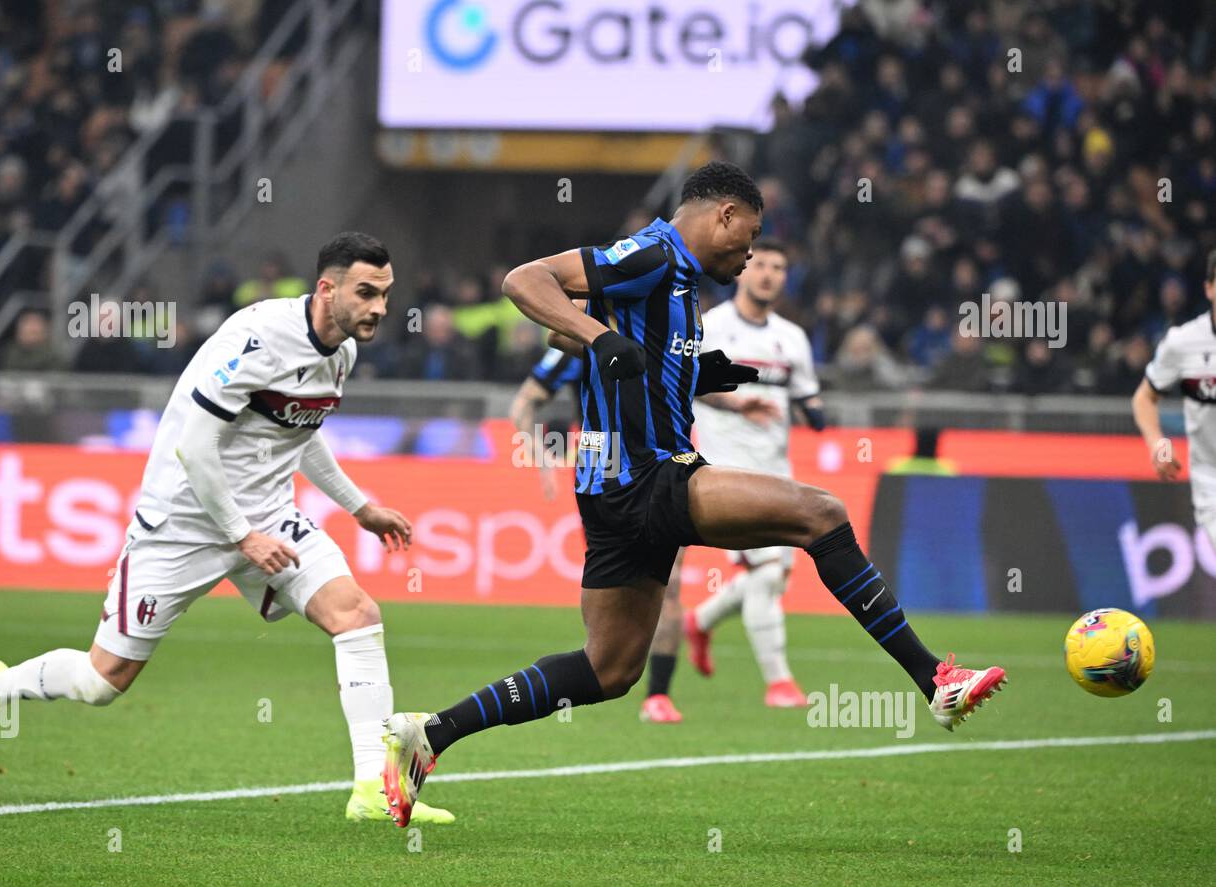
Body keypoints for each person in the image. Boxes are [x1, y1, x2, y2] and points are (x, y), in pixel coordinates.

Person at [380, 163, 1006, 827]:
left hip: (614, 490)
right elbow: (523, 281)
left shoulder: (678, 285)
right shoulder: (652, 253)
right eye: (750, 238)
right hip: (646, 475)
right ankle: (936, 678)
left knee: (610, 668)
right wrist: (600, 336)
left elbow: (639, 367)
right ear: (724, 215)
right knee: (821, 514)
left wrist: (695, 372)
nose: (749, 255)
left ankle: (430, 732)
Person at [0, 232, 457, 826]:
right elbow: (195, 446)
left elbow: (300, 432)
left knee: (357, 616)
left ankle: (370, 787)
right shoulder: (258, 339)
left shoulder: (341, 353)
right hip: (183, 520)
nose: (380, 309)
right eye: (367, 293)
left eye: (386, 296)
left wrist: (359, 506)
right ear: (327, 288)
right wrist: (242, 537)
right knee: (104, 681)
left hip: (266, 515)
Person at [509, 340, 688, 723]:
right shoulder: (580, 342)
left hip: (669, 465)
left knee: (670, 583)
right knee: (622, 593)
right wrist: (541, 461)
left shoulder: (664, 326)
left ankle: (657, 695)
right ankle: (602, 668)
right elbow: (523, 403)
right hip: (608, 480)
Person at [683, 237, 821, 708]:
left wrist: (818, 413)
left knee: (772, 577)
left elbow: (805, 397)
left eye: (779, 267)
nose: (768, 274)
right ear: (743, 269)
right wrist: (739, 403)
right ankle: (779, 682)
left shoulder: (792, 338)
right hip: (724, 470)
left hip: (776, 469)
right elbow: (686, 384)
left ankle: (699, 622)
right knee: (764, 572)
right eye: (760, 264)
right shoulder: (712, 326)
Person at [1132, 248, 1216, 551]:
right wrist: (1157, 443)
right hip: (1211, 478)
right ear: (1208, 288)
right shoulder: (1183, 342)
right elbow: (1145, 398)